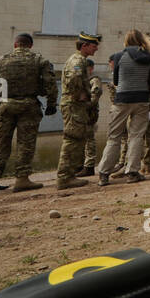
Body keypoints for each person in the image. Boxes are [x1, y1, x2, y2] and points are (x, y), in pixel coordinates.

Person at [0, 33, 56, 196]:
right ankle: (22, 179)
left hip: (5, 106)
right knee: (25, 143)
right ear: (30, 45)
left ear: (15, 45)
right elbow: (50, 83)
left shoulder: (1, 61)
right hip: (29, 106)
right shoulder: (39, 60)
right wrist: (51, 104)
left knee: (0, 144)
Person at [96, 29, 150, 185]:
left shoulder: (119, 56)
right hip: (142, 99)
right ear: (142, 40)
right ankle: (132, 172)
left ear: (126, 41)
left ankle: (104, 173)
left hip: (122, 99)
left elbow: (116, 80)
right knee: (136, 136)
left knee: (114, 136)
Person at [55, 32, 100, 190]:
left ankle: (69, 175)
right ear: (85, 45)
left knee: (76, 140)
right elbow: (74, 78)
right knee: (72, 140)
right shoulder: (78, 60)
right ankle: (65, 177)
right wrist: (79, 95)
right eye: (94, 46)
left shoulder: (79, 60)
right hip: (74, 106)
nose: (96, 50)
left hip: (74, 106)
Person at [78, 59, 104, 177]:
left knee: (89, 139)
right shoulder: (82, 80)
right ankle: (80, 164)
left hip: (89, 113)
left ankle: (89, 166)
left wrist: (84, 105)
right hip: (81, 112)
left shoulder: (94, 80)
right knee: (81, 139)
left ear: (91, 68)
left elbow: (95, 97)